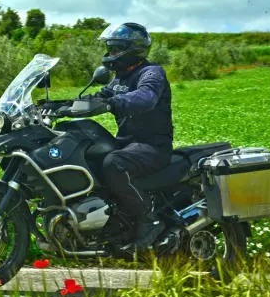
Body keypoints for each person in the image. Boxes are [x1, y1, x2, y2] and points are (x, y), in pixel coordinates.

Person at [43, 22, 173, 250]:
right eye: (109, 49)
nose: (110, 54)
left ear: (132, 49)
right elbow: (99, 96)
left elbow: (146, 97)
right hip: (127, 143)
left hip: (152, 146)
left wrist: (111, 103)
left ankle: (148, 218)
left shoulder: (152, 73)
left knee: (114, 163)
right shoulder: (120, 78)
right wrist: (60, 106)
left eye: (115, 49)